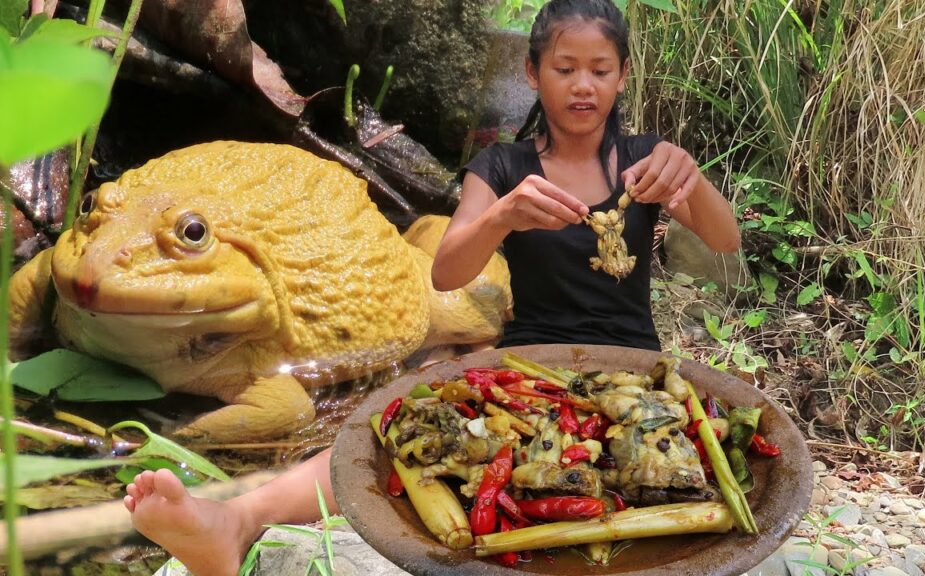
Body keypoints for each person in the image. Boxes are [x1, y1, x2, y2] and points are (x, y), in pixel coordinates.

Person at [122, 1, 740, 574]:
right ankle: (234, 521)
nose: (583, 85)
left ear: (622, 76)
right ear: (532, 73)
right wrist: (501, 217)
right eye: (565, 67)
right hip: (525, 366)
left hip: (632, 370)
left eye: (600, 70)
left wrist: (689, 177)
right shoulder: (501, 167)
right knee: (401, 431)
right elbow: (447, 272)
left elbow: (725, 240)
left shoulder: (644, 161)